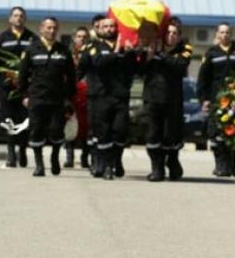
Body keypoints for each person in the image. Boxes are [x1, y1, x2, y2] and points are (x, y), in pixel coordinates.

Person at [18, 17, 75, 177]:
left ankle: (55, 157)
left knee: (57, 131)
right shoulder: (31, 49)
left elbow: (71, 76)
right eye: (48, 28)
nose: (52, 31)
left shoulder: (63, 50)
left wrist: (69, 97)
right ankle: (39, 164)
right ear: (41, 29)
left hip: (57, 99)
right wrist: (24, 95)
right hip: (37, 98)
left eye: (54, 28)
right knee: (36, 130)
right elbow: (22, 76)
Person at [140, 21, 192, 182]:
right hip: (152, 99)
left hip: (172, 101)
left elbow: (179, 66)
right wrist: (147, 57)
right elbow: (140, 71)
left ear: (179, 36)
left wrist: (160, 55)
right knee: (152, 135)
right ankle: (157, 168)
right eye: (168, 32)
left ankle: (173, 162)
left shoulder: (184, 50)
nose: (171, 36)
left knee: (170, 137)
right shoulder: (151, 49)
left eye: (175, 33)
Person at [86, 16, 136, 181]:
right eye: (106, 27)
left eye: (112, 26)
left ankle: (117, 159)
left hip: (120, 96)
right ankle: (107, 165)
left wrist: (130, 53)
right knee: (104, 133)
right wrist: (115, 53)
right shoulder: (94, 46)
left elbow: (132, 70)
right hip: (101, 96)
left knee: (120, 131)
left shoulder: (124, 47)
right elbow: (99, 62)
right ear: (100, 29)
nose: (109, 29)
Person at [197, 22, 235, 177]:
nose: (225, 35)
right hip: (216, 99)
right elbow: (203, 79)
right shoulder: (211, 53)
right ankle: (221, 165)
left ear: (231, 34)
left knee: (234, 133)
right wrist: (204, 99)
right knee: (216, 134)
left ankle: (233, 161)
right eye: (222, 32)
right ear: (217, 35)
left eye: (227, 32)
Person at [0, 6, 36, 168]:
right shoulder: (2, 38)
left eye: (21, 16)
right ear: (10, 19)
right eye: (15, 16)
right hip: (6, 86)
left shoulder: (31, 38)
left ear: (25, 19)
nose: (18, 18)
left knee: (24, 120)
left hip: (25, 87)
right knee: (8, 120)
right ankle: (11, 154)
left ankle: (22, 151)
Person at [65, 26, 90, 169]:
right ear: (74, 38)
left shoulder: (91, 52)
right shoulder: (68, 54)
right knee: (70, 124)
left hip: (87, 94)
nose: (82, 39)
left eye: (84, 36)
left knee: (86, 127)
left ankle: (85, 158)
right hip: (72, 93)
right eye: (79, 36)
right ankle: (69, 157)